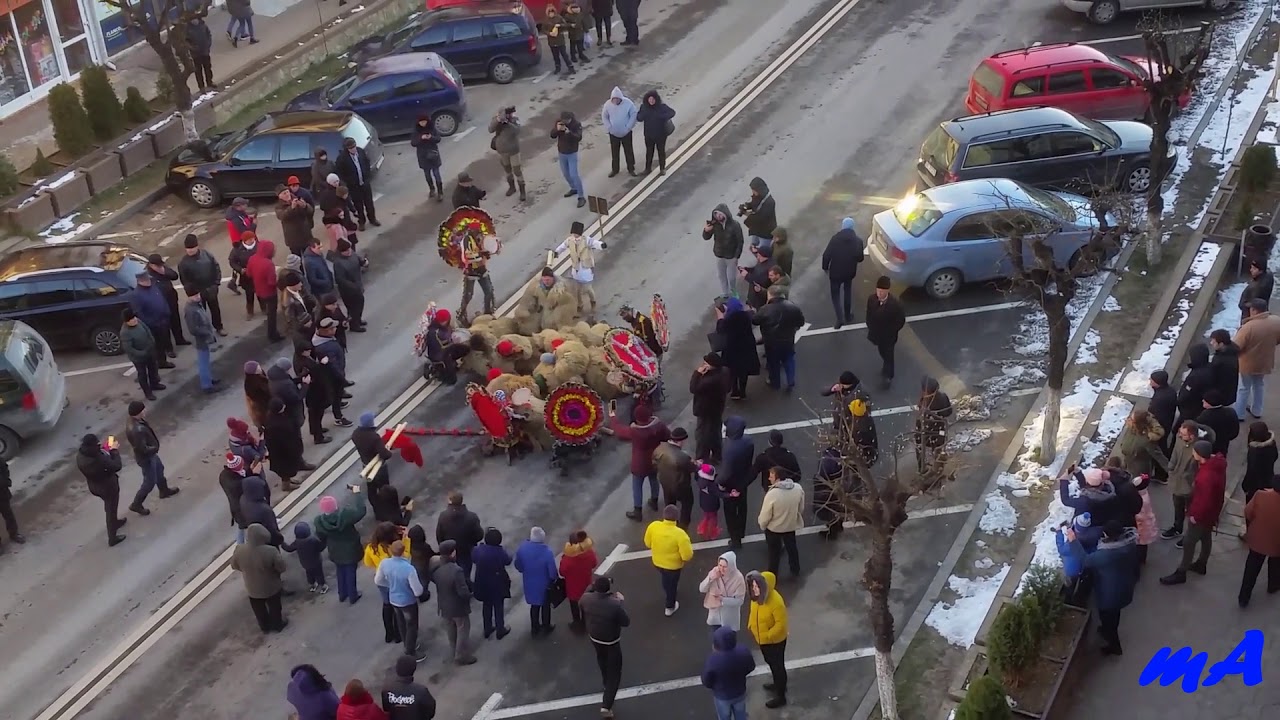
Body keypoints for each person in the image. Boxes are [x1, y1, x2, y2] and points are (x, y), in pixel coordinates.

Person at [1161, 440, 1227, 585]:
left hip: (1201, 514)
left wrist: (1194, 516)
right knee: (1205, 536)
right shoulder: (1216, 465)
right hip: (1212, 513)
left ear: (1199, 454)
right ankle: (1201, 563)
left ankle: (1181, 572)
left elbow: (1203, 500)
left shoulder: (1206, 476)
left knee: (1189, 542)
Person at [1066, 521, 1137, 654]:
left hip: (1109, 593)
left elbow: (1085, 560)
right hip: (1124, 587)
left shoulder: (1105, 555)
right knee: (1115, 614)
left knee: (1107, 616)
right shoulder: (1129, 544)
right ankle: (1107, 630)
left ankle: (1114, 645)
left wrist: (1073, 541)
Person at [610, 403, 670, 520]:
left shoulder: (635, 432)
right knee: (654, 480)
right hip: (655, 459)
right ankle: (654, 501)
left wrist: (613, 417)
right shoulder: (659, 425)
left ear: (636, 418)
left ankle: (638, 511)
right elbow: (667, 436)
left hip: (639, 463)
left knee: (637, 486)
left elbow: (619, 430)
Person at [580, 576, 629, 718]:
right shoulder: (614, 604)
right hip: (611, 641)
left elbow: (587, 593)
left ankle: (605, 682)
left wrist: (593, 586)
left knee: (601, 659)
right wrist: (621, 602)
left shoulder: (585, 599)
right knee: (615, 673)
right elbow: (626, 622)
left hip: (595, 637)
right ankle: (606, 705)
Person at [1161, 420, 1215, 540]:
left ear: (1192, 436)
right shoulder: (1180, 439)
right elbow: (1175, 452)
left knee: (1192, 513)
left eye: (1183, 434)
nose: (1180, 435)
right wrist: (1171, 467)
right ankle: (1177, 527)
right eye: (1180, 433)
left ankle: (1189, 536)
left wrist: (1193, 482)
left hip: (1191, 486)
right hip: (1177, 481)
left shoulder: (1200, 447)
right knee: (1177, 507)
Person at [230, 524, 287, 633]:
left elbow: (234, 565)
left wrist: (247, 570)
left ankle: (265, 627)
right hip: (271, 587)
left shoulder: (240, 549)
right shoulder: (271, 551)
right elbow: (281, 568)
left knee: (259, 610)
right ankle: (277, 625)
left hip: (252, 588)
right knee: (274, 607)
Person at [428, 539, 476, 665]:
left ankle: (454, 648)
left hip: (444, 605)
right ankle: (461, 655)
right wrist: (471, 595)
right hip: (458, 607)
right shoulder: (456, 570)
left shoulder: (436, 568)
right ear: (453, 553)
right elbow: (463, 592)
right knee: (463, 629)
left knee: (451, 628)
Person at [376, 540, 426, 660]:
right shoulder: (408, 569)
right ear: (403, 551)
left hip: (393, 599)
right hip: (408, 601)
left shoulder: (385, 563)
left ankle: (407, 644)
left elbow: (378, 580)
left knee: (401, 623)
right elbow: (418, 591)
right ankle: (411, 652)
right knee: (412, 625)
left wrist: (390, 586)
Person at [125, 400, 177, 515]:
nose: (145, 410)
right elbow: (142, 448)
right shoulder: (137, 429)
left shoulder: (134, 422)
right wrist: (154, 448)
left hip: (149, 456)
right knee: (149, 482)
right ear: (138, 412)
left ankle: (164, 490)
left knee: (159, 469)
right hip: (146, 458)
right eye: (143, 409)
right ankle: (136, 504)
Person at [315, 491, 367, 604]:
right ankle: (353, 595)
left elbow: (321, 536)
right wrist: (357, 495)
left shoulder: (319, 521)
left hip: (334, 549)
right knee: (350, 570)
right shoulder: (345, 516)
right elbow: (360, 512)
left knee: (340, 570)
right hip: (350, 548)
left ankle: (342, 594)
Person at [746, 570, 789, 708]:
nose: (755, 589)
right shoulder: (756, 599)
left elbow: (781, 625)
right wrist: (751, 625)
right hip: (763, 640)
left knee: (778, 667)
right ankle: (778, 684)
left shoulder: (776, 602)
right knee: (771, 663)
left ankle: (781, 695)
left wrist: (768, 636)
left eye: (757, 586)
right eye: (753, 586)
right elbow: (753, 613)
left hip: (774, 642)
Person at [76, 434, 126, 546]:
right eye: (97, 444)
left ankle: (115, 522)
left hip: (94, 485)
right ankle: (112, 537)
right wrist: (114, 451)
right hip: (107, 487)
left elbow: (99, 459)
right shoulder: (98, 459)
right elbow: (116, 465)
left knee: (110, 507)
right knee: (111, 508)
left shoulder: (81, 456)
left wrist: (103, 449)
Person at [1233, 298, 1280, 419]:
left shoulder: (1248, 327)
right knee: (1259, 385)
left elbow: (1236, 346)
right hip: (1265, 361)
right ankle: (1257, 410)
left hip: (1247, 363)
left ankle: (1239, 413)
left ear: (1254, 310)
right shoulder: (1276, 321)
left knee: (1244, 387)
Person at [753, 284, 806, 391]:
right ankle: (790, 380)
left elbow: (755, 321)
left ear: (770, 295)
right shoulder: (793, 306)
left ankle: (775, 382)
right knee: (789, 360)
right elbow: (801, 322)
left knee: (773, 363)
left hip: (771, 342)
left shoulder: (765, 309)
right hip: (788, 340)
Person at [644, 504, 694, 616]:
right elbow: (687, 556)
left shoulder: (653, 526)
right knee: (672, 584)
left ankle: (668, 591)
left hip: (657, 562)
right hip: (673, 566)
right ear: (677, 518)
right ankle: (669, 606)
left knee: (666, 580)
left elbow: (647, 543)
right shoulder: (680, 534)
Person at [554, 221, 608, 322]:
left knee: (587, 289)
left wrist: (602, 245)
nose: (575, 235)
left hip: (586, 268)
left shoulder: (586, 240)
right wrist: (556, 252)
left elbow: (595, 243)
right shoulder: (569, 240)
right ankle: (580, 306)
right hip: (576, 269)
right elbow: (562, 247)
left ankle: (593, 303)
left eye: (576, 233)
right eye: (574, 233)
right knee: (577, 289)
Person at [701, 626, 756, 720]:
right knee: (741, 714)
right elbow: (751, 666)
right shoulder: (743, 651)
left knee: (724, 716)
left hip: (722, 695)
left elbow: (706, 681)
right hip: (740, 692)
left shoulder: (713, 660)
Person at [1241, 477, 1280, 606]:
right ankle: (1273, 585)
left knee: (1252, 567)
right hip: (1276, 542)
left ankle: (1244, 598)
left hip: (1258, 538)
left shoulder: (1260, 495)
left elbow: (1247, 512)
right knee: (1275, 564)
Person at [759, 467, 805, 577]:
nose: (769, 478)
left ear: (778, 478)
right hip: (790, 525)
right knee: (792, 547)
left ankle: (772, 575)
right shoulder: (798, 489)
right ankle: (795, 569)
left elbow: (765, 515)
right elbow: (801, 507)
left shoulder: (772, 494)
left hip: (774, 528)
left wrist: (763, 525)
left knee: (774, 553)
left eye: (771, 475)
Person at [514, 526, 560, 635]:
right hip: (544, 585)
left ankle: (534, 628)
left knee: (534, 606)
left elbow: (518, 565)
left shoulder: (522, 548)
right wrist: (554, 579)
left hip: (529, 583)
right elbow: (552, 572)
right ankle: (546, 626)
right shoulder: (547, 552)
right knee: (545, 606)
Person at [718, 416, 755, 550]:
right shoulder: (748, 442)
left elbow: (726, 472)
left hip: (730, 485)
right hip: (743, 481)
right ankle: (741, 532)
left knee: (730, 512)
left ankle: (735, 539)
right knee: (742, 507)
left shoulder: (730, 448)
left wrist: (719, 482)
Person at [432, 491, 484, 582]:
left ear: (450, 502)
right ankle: (466, 587)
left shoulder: (443, 516)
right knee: (465, 572)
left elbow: (439, 535)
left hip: (450, 550)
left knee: (451, 573)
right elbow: (479, 535)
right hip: (467, 550)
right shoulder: (471, 517)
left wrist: (444, 547)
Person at [712, 298, 757, 400]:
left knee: (732, 371)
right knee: (743, 371)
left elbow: (720, 330)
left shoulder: (728, 320)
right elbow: (752, 314)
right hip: (746, 347)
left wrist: (720, 317)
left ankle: (735, 391)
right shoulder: (746, 316)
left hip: (731, 349)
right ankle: (743, 392)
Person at [822, 218, 864, 327]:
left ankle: (839, 318)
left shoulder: (835, 239)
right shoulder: (858, 241)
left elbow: (826, 255)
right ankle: (848, 315)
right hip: (849, 272)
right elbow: (860, 258)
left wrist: (825, 268)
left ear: (843, 226)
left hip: (835, 272)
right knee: (847, 291)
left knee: (835, 295)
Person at [690, 353, 732, 462]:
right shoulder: (725, 371)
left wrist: (697, 373)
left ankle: (701, 458)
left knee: (702, 435)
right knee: (715, 432)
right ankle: (717, 455)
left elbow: (693, 388)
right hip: (717, 408)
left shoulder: (709, 381)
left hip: (705, 410)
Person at [866, 276, 906, 389]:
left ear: (887, 291)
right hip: (877, 335)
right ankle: (886, 368)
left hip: (889, 337)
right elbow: (869, 315)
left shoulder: (895, 304)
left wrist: (891, 331)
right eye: (878, 290)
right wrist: (870, 326)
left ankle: (888, 376)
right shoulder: (872, 299)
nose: (879, 293)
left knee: (889, 356)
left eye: (882, 291)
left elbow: (900, 321)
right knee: (882, 352)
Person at [472, 527, 512, 639]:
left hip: (482, 583)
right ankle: (500, 629)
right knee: (498, 606)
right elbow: (508, 560)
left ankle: (487, 628)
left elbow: (473, 558)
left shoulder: (478, 550)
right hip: (497, 583)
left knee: (486, 606)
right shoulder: (499, 552)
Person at [313, 317, 353, 428]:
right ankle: (338, 417)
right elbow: (333, 366)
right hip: (334, 377)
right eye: (333, 328)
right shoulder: (325, 347)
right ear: (327, 331)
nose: (336, 329)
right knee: (336, 395)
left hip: (334, 375)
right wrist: (342, 378)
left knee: (336, 395)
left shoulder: (323, 339)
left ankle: (337, 405)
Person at [129, 272, 175, 369]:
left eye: (149, 279)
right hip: (152, 325)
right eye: (146, 280)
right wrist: (150, 323)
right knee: (155, 346)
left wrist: (167, 312)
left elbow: (162, 300)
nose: (149, 281)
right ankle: (156, 365)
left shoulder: (154, 287)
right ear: (139, 281)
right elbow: (139, 312)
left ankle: (163, 361)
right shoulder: (136, 295)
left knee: (162, 343)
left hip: (163, 321)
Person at [653, 426, 697, 527]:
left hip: (666, 483)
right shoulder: (682, 457)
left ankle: (671, 524)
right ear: (680, 441)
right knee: (687, 504)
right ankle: (683, 526)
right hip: (681, 486)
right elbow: (693, 468)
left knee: (669, 504)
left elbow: (654, 463)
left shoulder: (659, 448)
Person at [143, 253, 187, 349]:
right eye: (157, 266)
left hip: (170, 297)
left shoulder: (163, 268)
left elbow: (175, 276)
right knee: (165, 326)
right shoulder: (148, 275)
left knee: (175, 320)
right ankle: (168, 348)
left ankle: (179, 339)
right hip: (160, 303)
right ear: (151, 265)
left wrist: (164, 272)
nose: (160, 267)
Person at [559, 530, 599, 631]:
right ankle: (586, 622)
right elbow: (594, 563)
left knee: (574, 605)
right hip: (586, 584)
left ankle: (577, 623)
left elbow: (562, 572)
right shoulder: (589, 553)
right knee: (586, 604)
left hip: (573, 587)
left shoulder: (568, 559)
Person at [246, 239, 284, 342]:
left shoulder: (252, 258)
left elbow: (249, 274)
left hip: (259, 290)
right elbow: (272, 282)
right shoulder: (268, 264)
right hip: (269, 292)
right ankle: (272, 334)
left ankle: (271, 333)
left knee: (268, 312)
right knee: (272, 314)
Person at [183, 286, 220, 393]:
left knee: (206, 360)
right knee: (203, 362)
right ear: (189, 297)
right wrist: (206, 332)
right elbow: (193, 329)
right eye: (195, 296)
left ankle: (208, 379)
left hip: (204, 337)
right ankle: (206, 385)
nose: (198, 297)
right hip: (200, 339)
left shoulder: (195, 305)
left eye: (198, 295)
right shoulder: (190, 310)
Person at [336, 137, 379, 229]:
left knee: (369, 203)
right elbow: (340, 172)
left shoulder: (360, 152)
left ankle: (372, 219)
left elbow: (367, 163)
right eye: (351, 148)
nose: (354, 149)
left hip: (365, 183)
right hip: (354, 186)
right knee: (358, 205)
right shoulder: (342, 158)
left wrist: (367, 176)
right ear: (347, 148)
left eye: (354, 146)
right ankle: (361, 222)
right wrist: (348, 182)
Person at [703, 204, 745, 298]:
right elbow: (706, 237)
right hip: (719, 255)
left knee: (731, 278)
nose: (718, 216)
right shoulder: (715, 225)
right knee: (721, 276)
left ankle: (734, 295)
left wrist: (736, 256)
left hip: (731, 257)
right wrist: (706, 231)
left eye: (720, 214)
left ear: (726, 214)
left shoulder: (735, 225)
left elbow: (740, 241)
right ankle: (725, 294)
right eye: (716, 214)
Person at [121, 309, 163, 400]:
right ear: (127, 322)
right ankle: (147, 392)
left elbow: (147, 330)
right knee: (142, 374)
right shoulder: (125, 332)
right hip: (138, 358)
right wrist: (141, 353)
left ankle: (154, 384)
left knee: (153, 369)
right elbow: (129, 348)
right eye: (132, 319)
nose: (135, 320)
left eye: (134, 317)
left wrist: (152, 341)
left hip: (149, 352)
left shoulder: (138, 321)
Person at [699, 551, 746, 631]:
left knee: (728, 641)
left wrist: (723, 600)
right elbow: (701, 589)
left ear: (731, 566)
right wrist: (710, 578)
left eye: (725, 566)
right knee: (715, 641)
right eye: (720, 565)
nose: (721, 569)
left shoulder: (738, 578)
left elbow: (740, 601)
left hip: (729, 618)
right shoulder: (714, 572)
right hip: (715, 616)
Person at [265, 398, 305, 491]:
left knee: (285, 468)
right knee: (286, 468)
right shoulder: (279, 424)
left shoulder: (271, 418)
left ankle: (288, 480)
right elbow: (286, 439)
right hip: (284, 451)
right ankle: (286, 485)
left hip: (277, 451)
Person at [1115, 408, 1167, 479]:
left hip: (1139, 471)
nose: (1128, 420)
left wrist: (1172, 472)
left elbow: (1159, 457)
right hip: (1128, 463)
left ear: (1138, 423)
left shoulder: (1146, 440)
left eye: (1131, 419)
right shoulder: (1131, 428)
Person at [381, 655, 437, 719]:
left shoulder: (386, 690)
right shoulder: (421, 691)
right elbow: (430, 711)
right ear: (414, 669)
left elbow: (386, 709)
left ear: (397, 669)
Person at [915, 376, 952, 473]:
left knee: (929, 446)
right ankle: (929, 468)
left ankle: (929, 468)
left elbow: (948, 412)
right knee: (926, 446)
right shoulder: (930, 398)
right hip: (932, 430)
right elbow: (948, 412)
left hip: (931, 430)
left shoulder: (933, 400)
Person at [488, 106, 526, 201]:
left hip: (513, 150)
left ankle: (522, 191)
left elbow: (517, 130)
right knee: (507, 169)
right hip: (502, 151)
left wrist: (508, 123)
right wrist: (498, 120)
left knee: (517, 170)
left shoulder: (514, 120)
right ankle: (512, 187)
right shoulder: (497, 121)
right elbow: (490, 129)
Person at [423, 309, 468, 386]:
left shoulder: (443, 327)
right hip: (440, 354)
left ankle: (451, 364)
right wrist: (454, 340)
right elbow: (443, 345)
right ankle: (435, 369)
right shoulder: (435, 333)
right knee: (452, 380)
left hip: (447, 349)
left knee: (465, 349)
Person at [601, 86, 638, 177]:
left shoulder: (628, 103)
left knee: (628, 151)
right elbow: (604, 116)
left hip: (626, 133)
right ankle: (615, 169)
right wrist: (609, 127)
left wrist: (628, 127)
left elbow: (633, 115)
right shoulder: (607, 105)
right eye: (614, 99)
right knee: (615, 152)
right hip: (613, 133)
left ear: (620, 98)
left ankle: (631, 168)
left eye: (617, 99)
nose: (615, 101)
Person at [551, 111, 586, 207]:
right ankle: (573, 188)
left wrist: (569, 133)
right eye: (563, 121)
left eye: (566, 120)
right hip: (562, 152)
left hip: (572, 153)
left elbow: (578, 137)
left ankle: (581, 196)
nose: (565, 122)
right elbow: (552, 135)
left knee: (574, 174)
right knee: (566, 174)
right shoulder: (559, 122)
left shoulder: (576, 124)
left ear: (570, 119)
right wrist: (557, 130)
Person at [814, 446, 849, 538]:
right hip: (837, 485)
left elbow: (823, 472)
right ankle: (838, 524)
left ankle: (833, 531)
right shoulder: (840, 455)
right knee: (837, 505)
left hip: (828, 485)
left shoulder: (828, 458)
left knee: (830, 508)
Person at [637, 90, 675, 175]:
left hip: (661, 135)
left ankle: (662, 168)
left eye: (653, 99)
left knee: (661, 151)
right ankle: (647, 169)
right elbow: (639, 118)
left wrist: (662, 117)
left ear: (656, 99)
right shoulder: (644, 107)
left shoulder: (662, 107)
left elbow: (672, 112)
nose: (651, 101)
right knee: (649, 152)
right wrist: (642, 116)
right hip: (649, 135)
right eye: (649, 99)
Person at [1175, 343, 1213, 425]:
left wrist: (1179, 400)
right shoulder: (1209, 368)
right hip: (1199, 407)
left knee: (1179, 429)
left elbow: (1186, 395)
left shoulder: (1196, 375)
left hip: (1191, 409)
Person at [332, 240, 366, 331]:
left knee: (360, 304)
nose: (349, 252)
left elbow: (358, 259)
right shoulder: (338, 263)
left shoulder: (352, 254)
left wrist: (363, 262)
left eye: (349, 249)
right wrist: (353, 286)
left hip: (357, 285)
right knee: (352, 308)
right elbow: (340, 279)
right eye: (346, 251)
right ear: (341, 251)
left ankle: (357, 319)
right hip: (348, 291)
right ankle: (354, 325)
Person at [286, 521, 328, 593]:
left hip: (305, 562)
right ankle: (322, 585)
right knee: (319, 574)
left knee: (309, 573)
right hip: (316, 561)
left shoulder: (297, 542)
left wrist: (282, 543)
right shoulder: (313, 540)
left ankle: (312, 585)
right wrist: (324, 540)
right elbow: (320, 548)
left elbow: (289, 548)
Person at [1243, 421, 1277, 504]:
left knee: (1253, 504)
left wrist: (1245, 486)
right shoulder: (1272, 444)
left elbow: (1251, 471)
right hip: (1268, 479)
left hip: (1255, 485)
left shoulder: (1254, 452)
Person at [738, 177, 777, 250]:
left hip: (766, 232)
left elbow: (760, 218)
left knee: (764, 251)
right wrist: (747, 206)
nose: (753, 192)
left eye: (754, 190)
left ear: (759, 189)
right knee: (753, 247)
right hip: (757, 230)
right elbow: (755, 204)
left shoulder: (769, 202)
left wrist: (746, 213)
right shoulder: (758, 196)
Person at [411, 116, 444, 200]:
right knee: (427, 174)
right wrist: (421, 138)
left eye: (424, 121)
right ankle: (432, 189)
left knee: (436, 174)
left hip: (433, 154)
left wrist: (431, 137)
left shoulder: (432, 128)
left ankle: (440, 192)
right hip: (423, 156)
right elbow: (413, 143)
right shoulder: (416, 131)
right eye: (421, 122)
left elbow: (438, 139)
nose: (423, 123)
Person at [1197, 390, 1239, 456]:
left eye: (1205, 400)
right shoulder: (1230, 412)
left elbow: (1199, 433)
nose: (1202, 400)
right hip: (1223, 446)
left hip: (1209, 447)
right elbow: (1234, 432)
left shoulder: (1205, 416)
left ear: (1210, 403)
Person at [277, 185, 314, 257]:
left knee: (309, 256)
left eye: (287, 192)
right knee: (297, 259)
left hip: (305, 235)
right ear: (279, 196)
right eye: (284, 193)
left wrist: (305, 206)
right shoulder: (279, 206)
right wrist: (291, 208)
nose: (287, 194)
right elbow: (282, 216)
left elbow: (310, 211)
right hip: (293, 239)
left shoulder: (298, 199)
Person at [1148, 369, 1178, 462]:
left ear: (1157, 383)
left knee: (1160, 446)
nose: (1150, 381)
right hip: (1168, 420)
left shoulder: (1159, 398)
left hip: (1162, 424)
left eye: (1151, 380)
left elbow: (1154, 413)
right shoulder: (1170, 390)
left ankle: (1161, 469)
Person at [1207, 328, 1241, 409]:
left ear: (1221, 344)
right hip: (1230, 394)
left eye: (1213, 341)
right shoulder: (1232, 353)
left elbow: (1213, 378)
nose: (1211, 343)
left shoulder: (1220, 360)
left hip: (1221, 397)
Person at [227, 230, 258, 312]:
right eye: (249, 240)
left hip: (258, 274)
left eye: (252, 239)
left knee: (260, 293)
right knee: (249, 294)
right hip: (246, 276)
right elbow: (232, 261)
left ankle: (264, 308)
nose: (251, 241)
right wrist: (240, 269)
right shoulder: (237, 249)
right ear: (244, 241)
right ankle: (250, 311)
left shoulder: (259, 246)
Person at [740, 244, 776, 309]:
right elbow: (756, 269)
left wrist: (746, 275)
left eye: (759, 255)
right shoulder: (763, 262)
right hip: (753, 295)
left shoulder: (769, 268)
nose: (757, 257)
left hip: (758, 298)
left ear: (765, 256)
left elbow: (759, 281)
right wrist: (747, 269)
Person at [185, 14, 214, 90]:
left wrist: (208, 44)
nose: (194, 21)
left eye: (195, 19)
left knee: (207, 67)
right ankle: (201, 87)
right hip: (196, 54)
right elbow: (186, 41)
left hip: (205, 51)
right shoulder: (188, 29)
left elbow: (209, 35)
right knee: (198, 71)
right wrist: (193, 48)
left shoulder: (203, 25)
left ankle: (209, 82)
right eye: (192, 19)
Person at [544, 7, 575, 75]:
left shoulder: (559, 18)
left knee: (564, 54)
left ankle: (570, 67)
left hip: (560, 40)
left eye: (552, 13)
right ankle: (557, 67)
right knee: (555, 55)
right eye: (550, 13)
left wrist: (560, 25)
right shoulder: (546, 20)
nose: (551, 14)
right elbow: (543, 30)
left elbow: (566, 25)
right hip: (552, 41)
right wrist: (549, 33)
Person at [696, 463, 722, 540]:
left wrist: (699, 464)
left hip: (703, 503)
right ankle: (712, 533)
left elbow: (702, 467)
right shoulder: (712, 485)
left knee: (706, 516)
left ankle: (702, 529)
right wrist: (730, 494)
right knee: (713, 518)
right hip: (713, 504)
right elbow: (719, 493)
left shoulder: (700, 481)